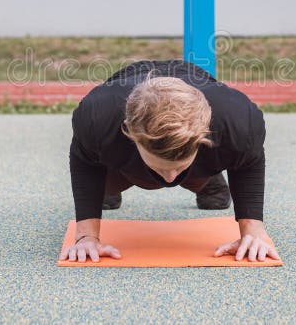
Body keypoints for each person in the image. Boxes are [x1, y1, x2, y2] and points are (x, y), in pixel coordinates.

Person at [59, 59, 279, 263]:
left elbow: (248, 161)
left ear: (204, 135)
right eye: (160, 167)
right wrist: (86, 236)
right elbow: (84, 160)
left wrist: (253, 232)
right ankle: (118, 177)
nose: (171, 180)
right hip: (125, 115)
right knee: (107, 191)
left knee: (210, 193)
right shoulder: (96, 118)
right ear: (131, 135)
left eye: (180, 167)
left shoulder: (239, 122)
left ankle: (206, 178)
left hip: (194, 81)